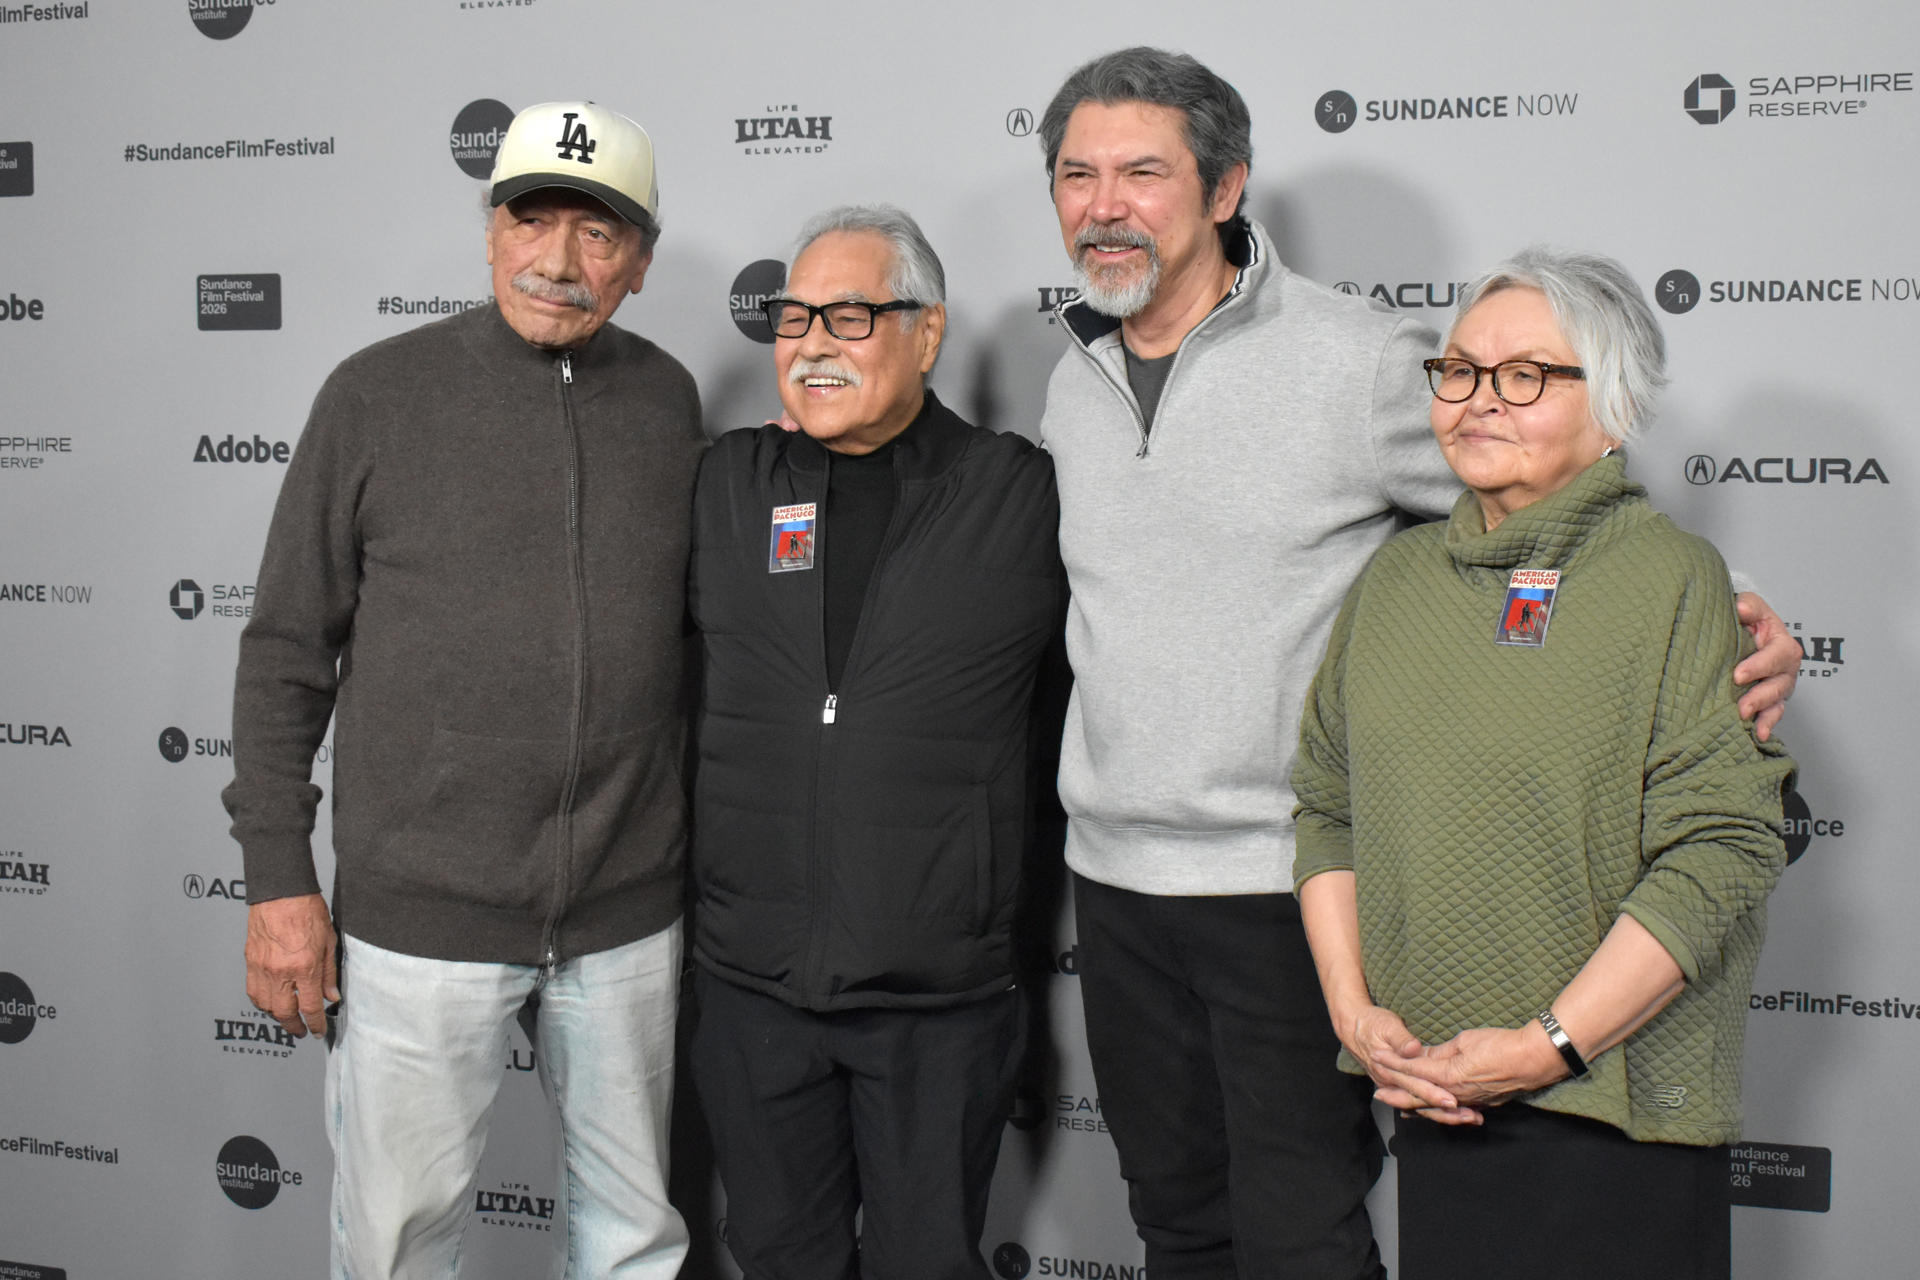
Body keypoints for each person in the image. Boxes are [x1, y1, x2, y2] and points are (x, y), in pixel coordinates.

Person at [1033, 47, 1803, 1279]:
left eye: (1142, 171)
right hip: (1115, 881)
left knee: (1301, 1236)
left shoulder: (1361, 361)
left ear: (1226, 188)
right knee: (1176, 1222)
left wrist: (1739, 622)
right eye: (1077, 173)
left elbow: (1558, 500)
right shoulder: (1069, 378)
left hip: (1284, 884)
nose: (1104, 203)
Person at [222, 101, 704, 1279]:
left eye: (598, 236)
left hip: (627, 908)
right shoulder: (374, 395)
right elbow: (286, 647)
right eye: (531, 220)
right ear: (489, 233)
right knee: (398, 1241)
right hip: (421, 917)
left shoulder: (670, 400)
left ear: (639, 262)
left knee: (635, 1236)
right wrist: (280, 880)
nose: (558, 260)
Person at [1292, 248, 1794, 1279]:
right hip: (1436, 1099)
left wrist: (1544, 1046)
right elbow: (1328, 806)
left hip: (1614, 1123)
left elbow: (1723, 850)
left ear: (1611, 405)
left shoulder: (1677, 580)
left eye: (1526, 374)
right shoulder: (1394, 581)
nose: (1480, 400)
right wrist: (1358, 1018)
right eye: (1461, 370)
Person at [686, 205, 1065, 1280]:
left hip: (936, 1004)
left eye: (850, 315)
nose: (812, 341)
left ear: (927, 332)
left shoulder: (1019, 493)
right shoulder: (725, 486)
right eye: (794, 316)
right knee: (775, 1256)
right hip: (751, 989)